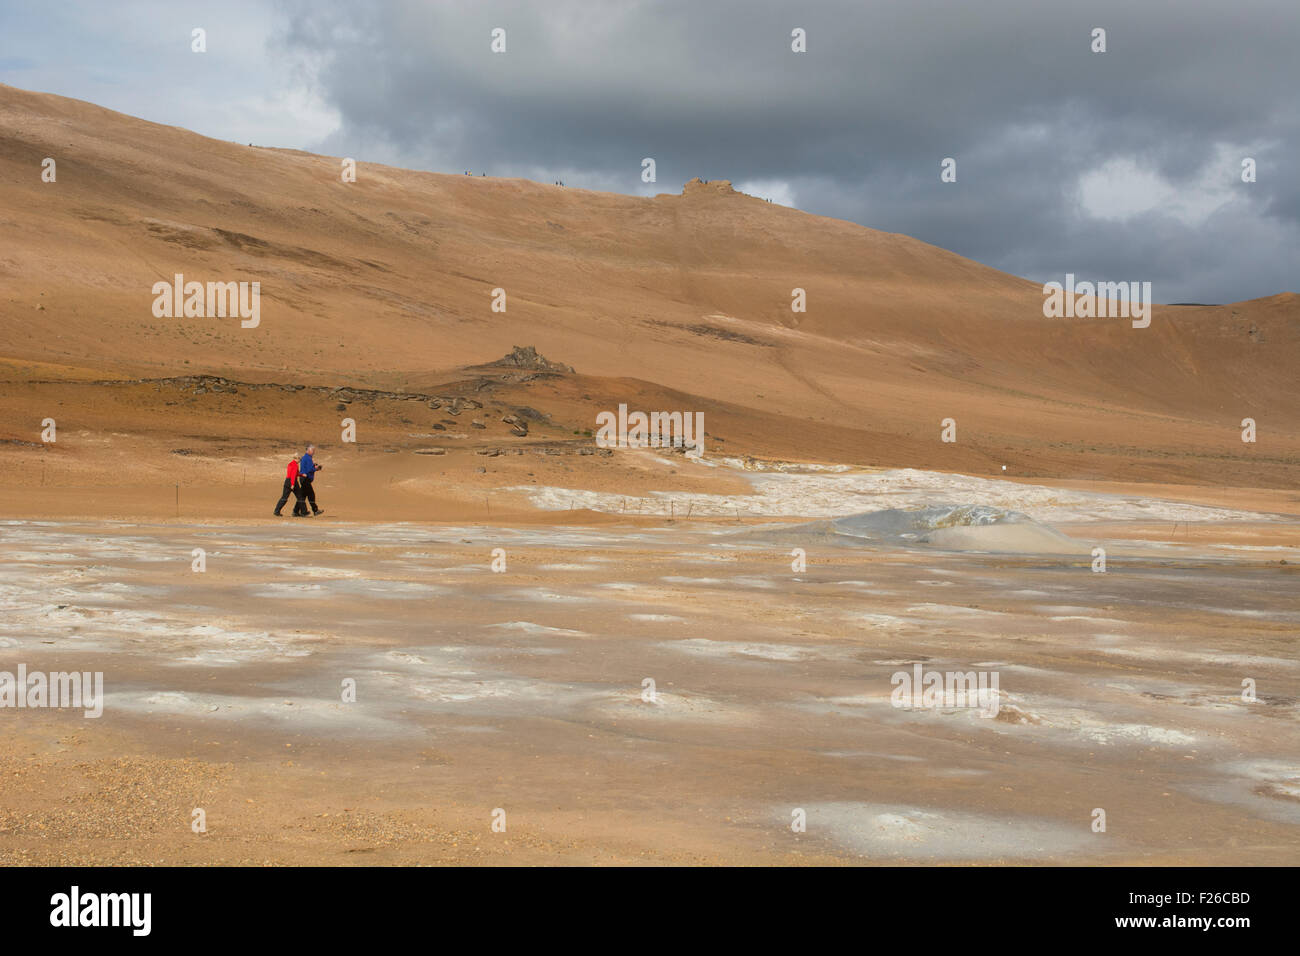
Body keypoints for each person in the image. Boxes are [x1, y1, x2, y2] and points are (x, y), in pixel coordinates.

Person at [298, 443, 324, 516]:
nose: (313, 452)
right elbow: (309, 469)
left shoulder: (306, 457)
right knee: (311, 495)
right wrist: (316, 468)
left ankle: (296, 511)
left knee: (303, 496)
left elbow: (308, 467)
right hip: (305, 479)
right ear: (309, 450)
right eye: (313, 450)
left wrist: (314, 467)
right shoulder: (307, 458)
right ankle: (315, 510)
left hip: (304, 478)